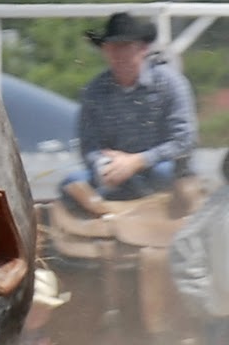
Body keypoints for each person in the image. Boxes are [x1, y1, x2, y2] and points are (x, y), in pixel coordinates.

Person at [63, 12, 197, 207]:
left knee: (164, 173)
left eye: (125, 47)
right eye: (112, 48)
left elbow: (185, 140)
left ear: (143, 48)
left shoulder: (170, 84)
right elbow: (89, 144)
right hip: (116, 174)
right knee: (71, 184)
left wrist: (137, 161)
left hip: (158, 169)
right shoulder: (94, 90)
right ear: (105, 51)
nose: (119, 54)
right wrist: (103, 166)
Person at [170, 151, 229, 345]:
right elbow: (183, 249)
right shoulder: (220, 209)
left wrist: (209, 304)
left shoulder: (216, 208)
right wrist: (212, 303)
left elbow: (183, 250)